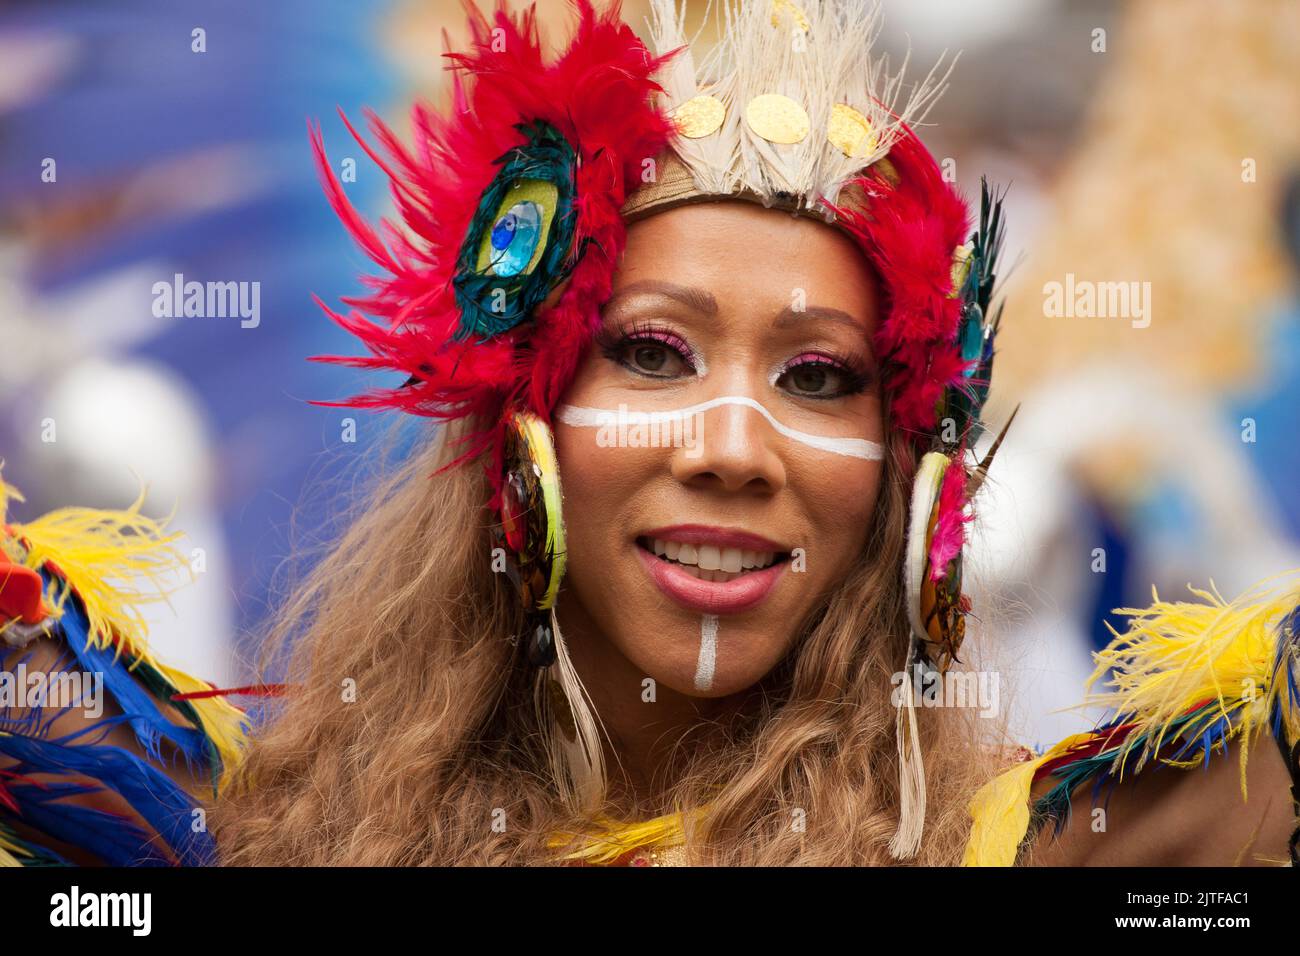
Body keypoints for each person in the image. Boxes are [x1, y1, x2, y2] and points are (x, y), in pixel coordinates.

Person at [3, 0, 1297, 867]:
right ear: (525, 439)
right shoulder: (240, 838)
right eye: (650, 352)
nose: (734, 445)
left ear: (913, 487)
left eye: (819, 378)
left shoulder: (1054, 850)